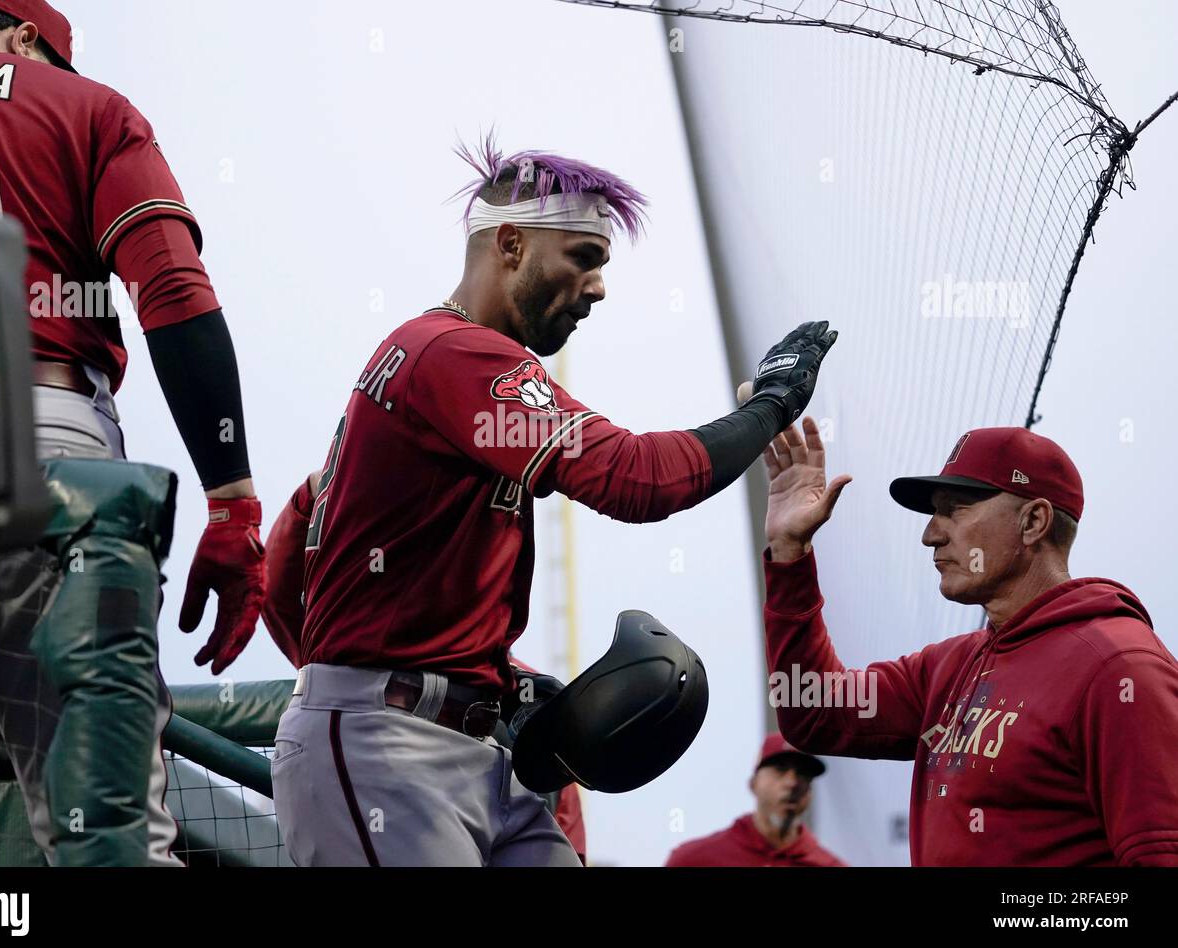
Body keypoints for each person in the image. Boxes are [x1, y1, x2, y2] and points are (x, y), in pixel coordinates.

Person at [269, 136, 839, 866]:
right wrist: (773, 403)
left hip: (459, 747)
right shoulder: (454, 352)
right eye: (584, 257)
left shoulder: (432, 362)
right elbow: (637, 479)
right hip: (388, 750)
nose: (599, 287)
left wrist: (492, 684)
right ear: (510, 243)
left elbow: (289, 567)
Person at [0, 0, 265, 866]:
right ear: (26, 39)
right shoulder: (85, 106)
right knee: (104, 838)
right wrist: (232, 501)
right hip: (49, 447)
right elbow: (173, 290)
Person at [761, 419, 1178, 865]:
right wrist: (789, 551)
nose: (930, 534)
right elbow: (813, 710)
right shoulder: (951, 665)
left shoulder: (1120, 668)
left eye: (955, 509)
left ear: (1033, 521)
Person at [262, 474, 588, 862]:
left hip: (482, 774)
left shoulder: (522, 693)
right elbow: (282, 603)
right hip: (368, 745)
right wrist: (311, 498)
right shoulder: (353, 639)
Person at [666, 732, 845, 866]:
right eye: (780, 769)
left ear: (810, 791)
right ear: (753, 784)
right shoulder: (694, 860)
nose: (792, 782)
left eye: (803, 773)